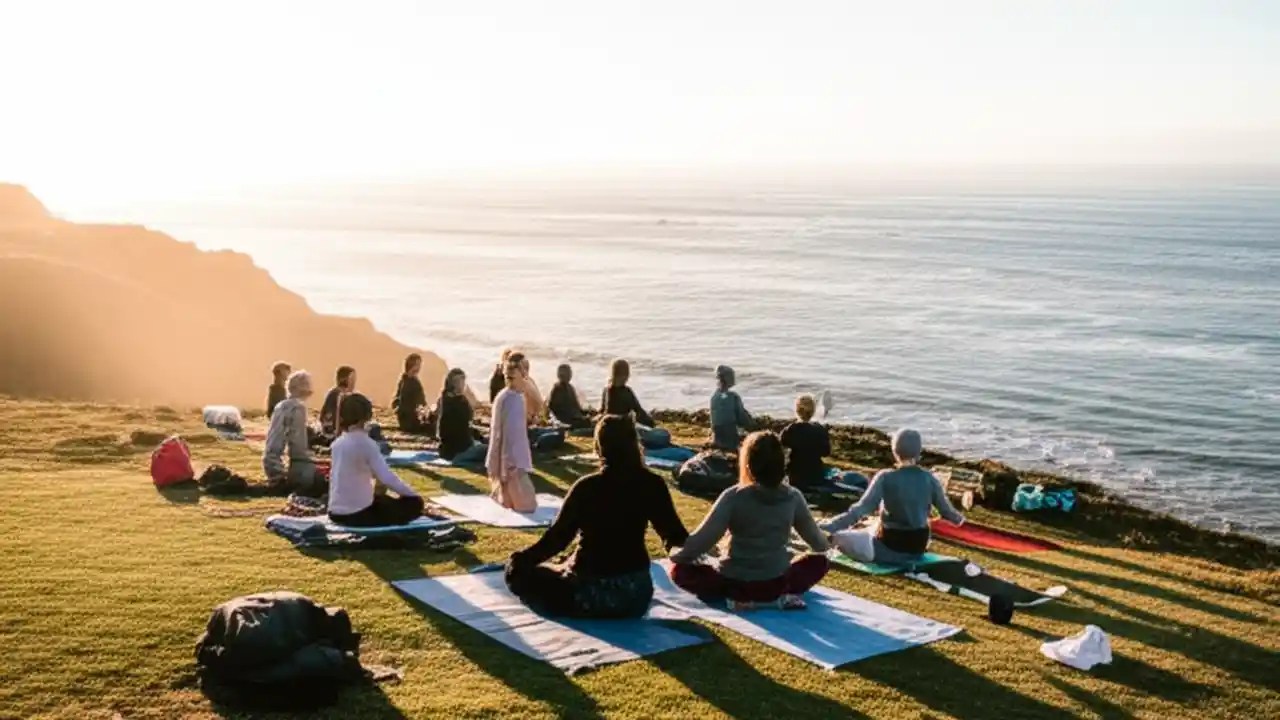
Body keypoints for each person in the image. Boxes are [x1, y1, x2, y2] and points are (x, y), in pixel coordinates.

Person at [505, 414, 690, 617]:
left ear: (600, 447)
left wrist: (521, 560)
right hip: (636, 595)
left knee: (521, 575)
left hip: (589, 593)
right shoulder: (652, 483)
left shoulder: (587, 487)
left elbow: (557, 540)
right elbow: (674, 535)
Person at [668, 431, 830, 610]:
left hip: (734, 584)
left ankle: (742, 600)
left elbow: (702, 541)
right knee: (820, 562)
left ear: (748, 465)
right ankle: (773, 600)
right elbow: (819, 544)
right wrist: (827, 540)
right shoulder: (794, 497)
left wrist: (677, 556)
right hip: (776, 583)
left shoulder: (733, 496)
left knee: (680, 571)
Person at [821, 428, 965, 565]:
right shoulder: (929, 478)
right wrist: (960, 520)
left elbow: (861, 508)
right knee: (872, 525)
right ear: (918, 452)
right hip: (918, 547)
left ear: (895, 451)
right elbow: (947, 512)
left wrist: (831, 527)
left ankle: (829, 530)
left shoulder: (885, 476)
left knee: (838, 538)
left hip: (887, 547)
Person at [327, 393, 424, 527]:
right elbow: (387, 478)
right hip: (357, 515)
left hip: (335, 513)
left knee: (382, 499)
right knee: (415, 504)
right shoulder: (366, 443)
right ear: (366, 416)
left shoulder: (338, 443)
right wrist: (413, 495)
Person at [262, 370, 325, 496]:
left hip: (270, 464)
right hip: (294, 472)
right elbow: (298, 447)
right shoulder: (298, 407)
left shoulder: (281, 405)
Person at [486, 358, 537, 512]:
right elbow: (503, 435)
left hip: (512, 457)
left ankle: (504, 495)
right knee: (528, 507)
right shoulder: (509, 398)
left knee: (522, 503)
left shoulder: (515, 396)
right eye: (509, 377)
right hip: (511, 461)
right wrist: (506, 464)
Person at [436, 368, 488, 464]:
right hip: (460, 451)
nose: (464, 384)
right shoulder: (460, 402)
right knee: (492, 450)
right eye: (463, 381)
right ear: (456, 383)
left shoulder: (444, 399)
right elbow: (465, 427)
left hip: (446, 451)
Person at [780, 394, 831, 490]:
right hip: (816, 475)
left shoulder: (790, 430)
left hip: (796, 477)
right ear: (813, 411)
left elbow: (779, 449)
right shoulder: (819, 429)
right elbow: (826, 452)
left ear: (796, 410)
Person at [601, 358, 655, 428]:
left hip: (608, 423)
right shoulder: (627, 391)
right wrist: (650, 420)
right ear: (626, 375)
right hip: (624, 424)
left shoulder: (606, 390)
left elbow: (603, 410)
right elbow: (638, 411)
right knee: (646, 421)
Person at [709, 365, 753, 450]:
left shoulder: (714, 396)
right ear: (729, 379)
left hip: (716, 436)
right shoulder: (733, 396)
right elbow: (742, 418)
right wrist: (753, 425)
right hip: (730, 437)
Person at [392, 353, 430, 434]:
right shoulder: (412, 382)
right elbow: (419, 403)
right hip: (410, 421)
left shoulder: (404, 379)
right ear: (413, 366)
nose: (420, 367)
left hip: (406, 419)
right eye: (418, 364)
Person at [547, 363, 592, 429]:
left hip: (574, 416)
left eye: (570, 373)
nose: (570, 375)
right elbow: (554, 409)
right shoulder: (557, 389)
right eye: (567, 373)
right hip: (565, 419)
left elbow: (577, 408)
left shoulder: (570, 387)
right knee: (586, 422)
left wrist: (588, 412)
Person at [319, 366, 357, 436]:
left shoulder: (339, 393)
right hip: (336, 434)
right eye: (352, 379)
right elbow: (329, 417)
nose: (354, 382)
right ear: (345, 379)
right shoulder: (338, 394)